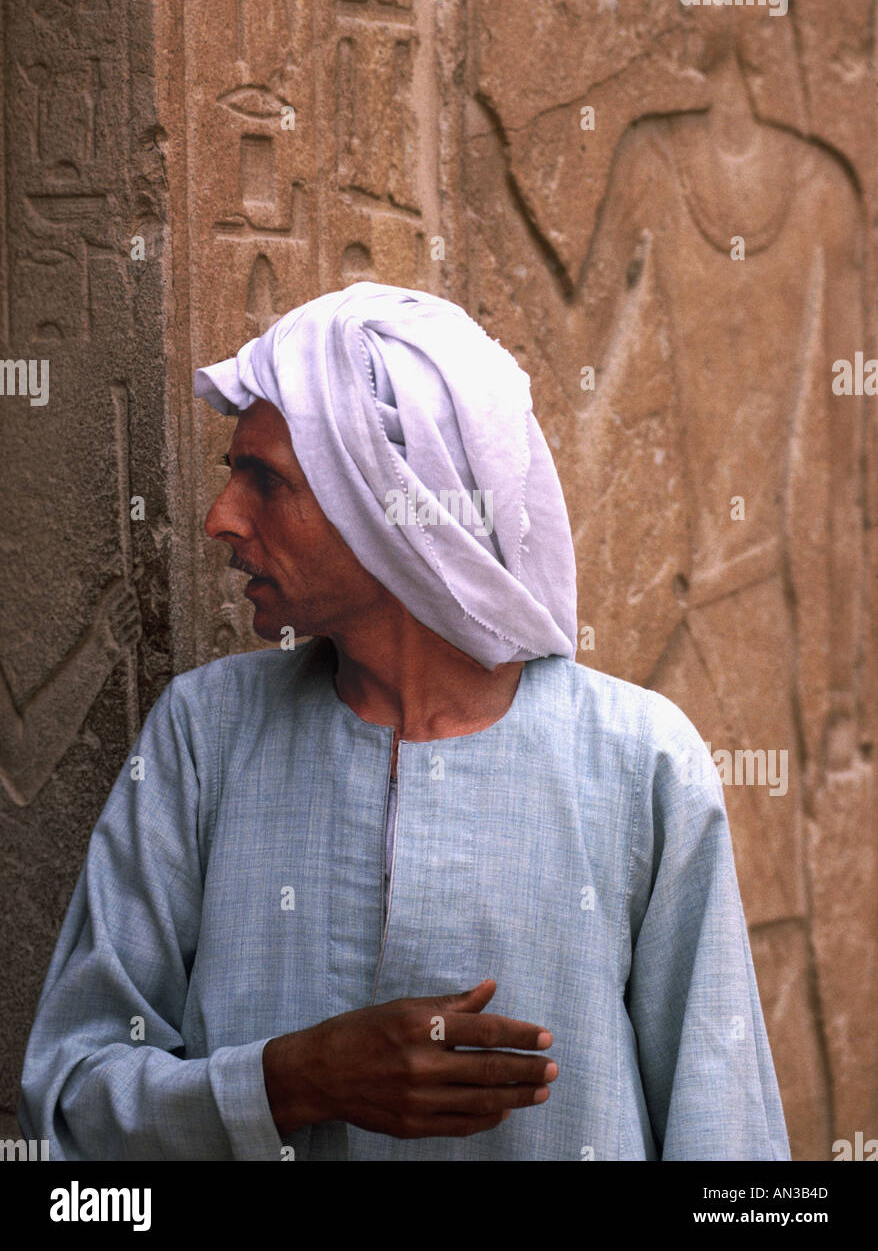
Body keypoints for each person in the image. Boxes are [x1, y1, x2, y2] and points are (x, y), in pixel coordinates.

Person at [17, 281, 790, 1160]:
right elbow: (68, 1105)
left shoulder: (639, 764)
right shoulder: (203, 738)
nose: (220, 519)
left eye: (265, 480)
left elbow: (727, 1143)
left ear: (397, 509)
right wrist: (292, 1079)